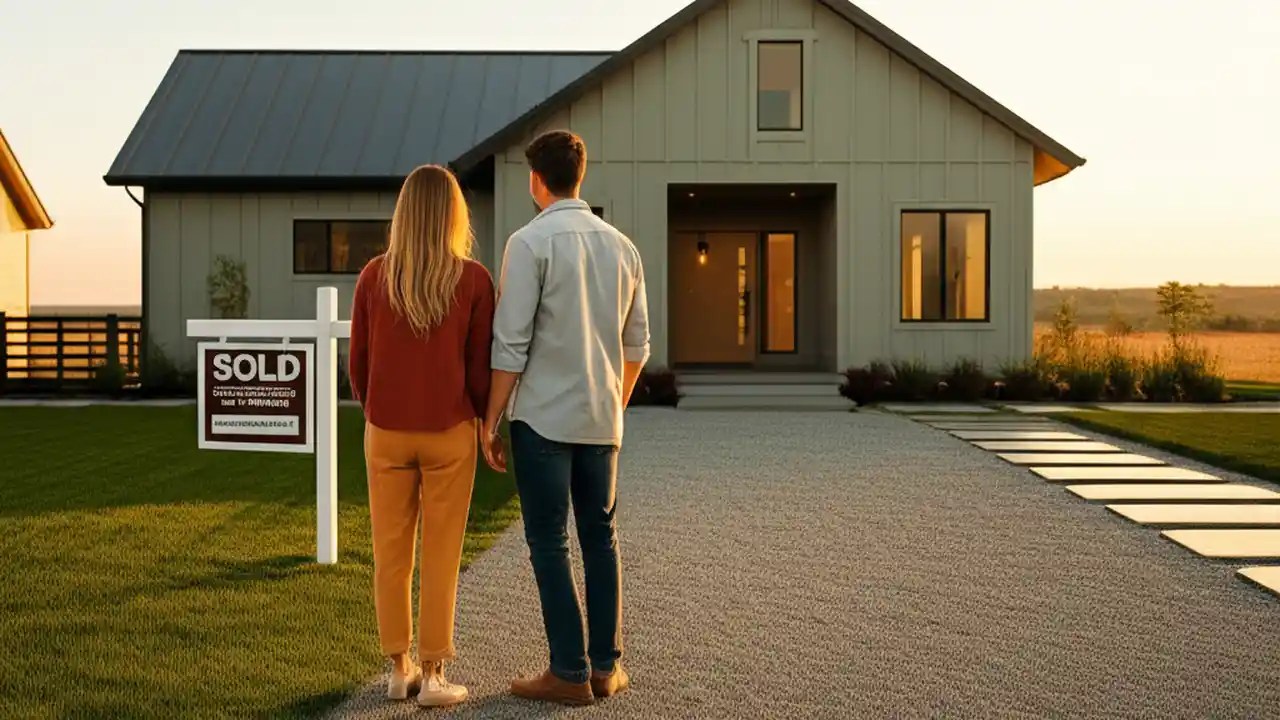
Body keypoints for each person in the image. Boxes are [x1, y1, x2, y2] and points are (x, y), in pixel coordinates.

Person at [481, 130, 650, 705]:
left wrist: (490, 419)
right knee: (601, 538)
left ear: (535, 180)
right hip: (602, 422)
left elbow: (510, 345)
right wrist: (613, 401)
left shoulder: (528, 243)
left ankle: (568, 672)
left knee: (549, 541)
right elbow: (638, 346)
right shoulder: (623, 248)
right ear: (582, 174)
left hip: (544, 423)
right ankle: (606, 668)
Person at [348, 164, 494, 708]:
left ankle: (397, 668)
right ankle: (433, 677)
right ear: (455, 214)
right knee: (441, 552)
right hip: (449, 430)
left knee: (390, 552)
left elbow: (358, 364)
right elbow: (479, 369)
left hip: (384, 432)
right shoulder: (474, 280)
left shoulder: (373, 276)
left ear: (403, 213)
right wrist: (485, 422)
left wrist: (377, 410)